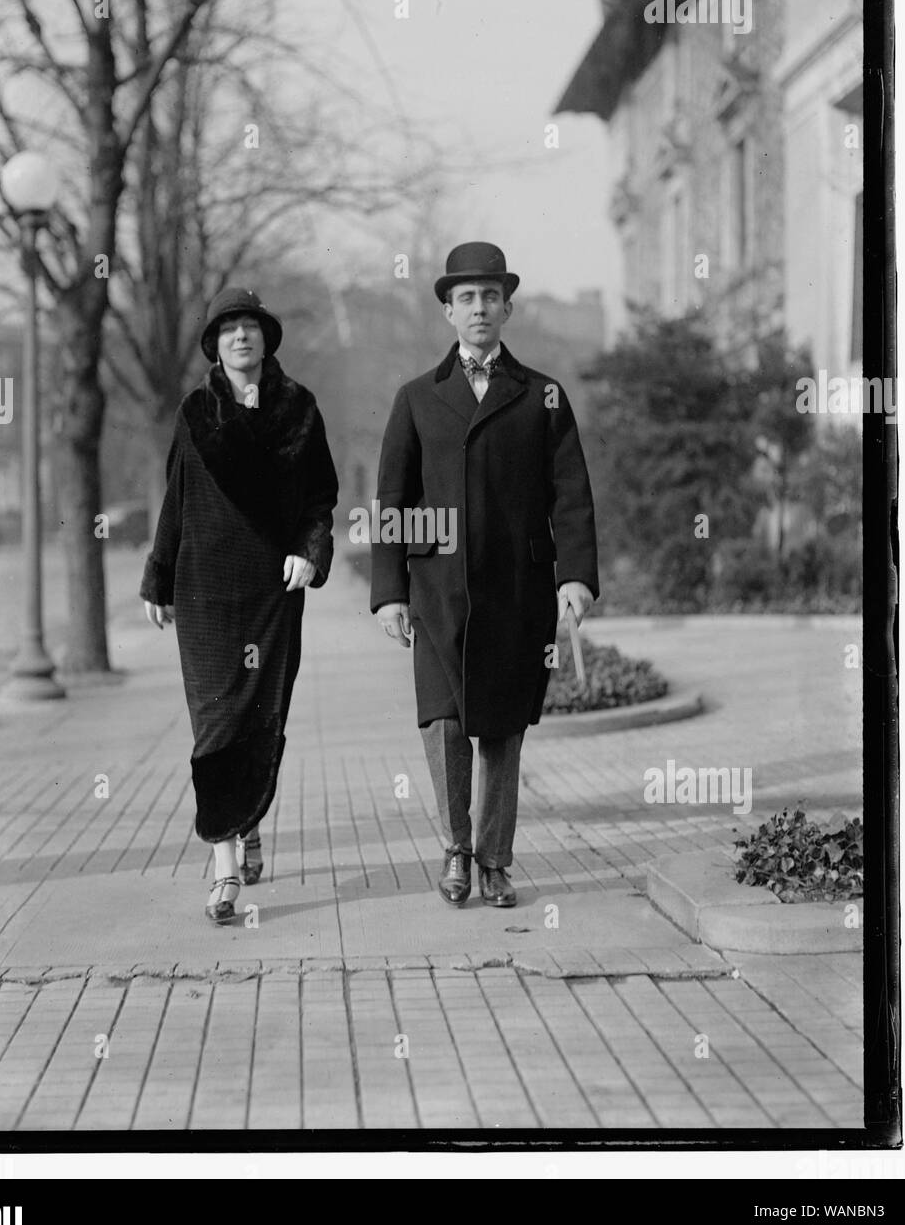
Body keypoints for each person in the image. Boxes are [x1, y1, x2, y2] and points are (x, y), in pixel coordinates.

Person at [370, 242, 599, 908]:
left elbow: (573, 493)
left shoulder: (543, 396)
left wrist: (575, 576)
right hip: (437, 592)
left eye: (490, 297)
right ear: (448, 311)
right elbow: (394, 503)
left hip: (516, 592)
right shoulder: (416, 398)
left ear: (507, 308)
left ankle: (496, 861)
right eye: (466, 298)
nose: (479, 308)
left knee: (500, 730)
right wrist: (389, 593)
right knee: (442, 723)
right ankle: (456, 850)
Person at [140, 286, 338, 924]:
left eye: (250, 326)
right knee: (213, 723)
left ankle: (245, 817)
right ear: (214, 344)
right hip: (204, 591)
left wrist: (310, 550)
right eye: (228, 329)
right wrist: (158, 577)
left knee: (259, 715)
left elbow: (319, 499)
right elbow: (176, 498)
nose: (241, 337)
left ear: (265, 339)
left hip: (271, 590)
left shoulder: (299, 409)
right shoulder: (195, 411)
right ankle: (225, 866)